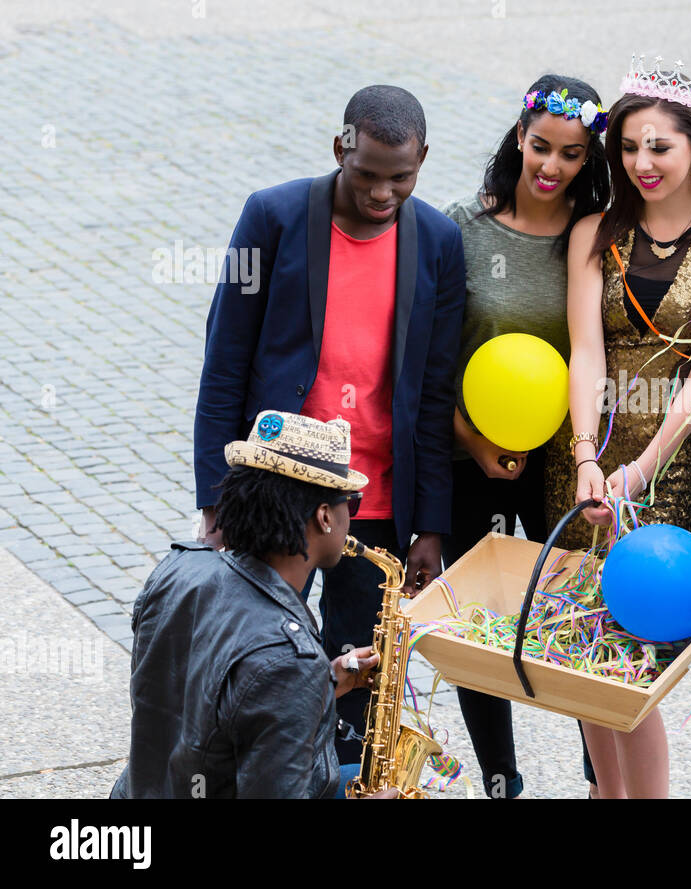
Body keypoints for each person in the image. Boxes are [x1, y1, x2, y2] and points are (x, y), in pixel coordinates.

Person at [192, 85, 466, 764]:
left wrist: (430, 523)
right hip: (274, 491)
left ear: (423, 159)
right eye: (366, 172)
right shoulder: (272, 216)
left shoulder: (438, 240)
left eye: (400, 177)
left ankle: (340, 780)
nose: (381, 192)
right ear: (340, 146)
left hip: (375, 504)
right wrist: (215, 497)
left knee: (362, 678)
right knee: (245, 660)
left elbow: (434, 394)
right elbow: (224, 362)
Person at [552, 55, 691, 797]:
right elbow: (586, 349)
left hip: (663, 469)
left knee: (633, 661)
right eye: (630, 148)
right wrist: (584, 455)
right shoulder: (594, 231)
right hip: (583, 458)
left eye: (661, 148)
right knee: (580, 657)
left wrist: (639, 471)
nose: (642, 163)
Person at [441, 73, 610, 799]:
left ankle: (602, 769)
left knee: (575, 616)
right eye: (541, 147)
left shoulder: (594, 233)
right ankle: (501, 778)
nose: (551, 167)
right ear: (519, 137)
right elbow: (426, 357)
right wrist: (472, 440)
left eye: (571, 155)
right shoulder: (459, 227)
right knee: (477, 619)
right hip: (465, 456)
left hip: (561, 463)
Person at [113, 412, 392, 799]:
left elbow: (218, 707)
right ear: (325, 516)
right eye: (352, 503)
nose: (351, 517)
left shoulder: (179, 568)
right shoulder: (289, 660)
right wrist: (303, 680)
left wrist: (322, 683)